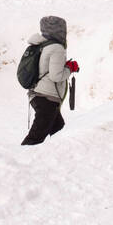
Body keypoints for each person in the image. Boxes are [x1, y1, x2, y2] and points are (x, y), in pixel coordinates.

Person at [21, 16, 78, 146]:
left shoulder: (42, 45)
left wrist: (66, 67)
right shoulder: (57, 48)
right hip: (47, 98)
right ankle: (20, 159)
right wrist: (70, 68)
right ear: (60, 31)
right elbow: (56, 76)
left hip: (37, 94)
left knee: (58, 127)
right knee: (35, 138)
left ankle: (53, 156)